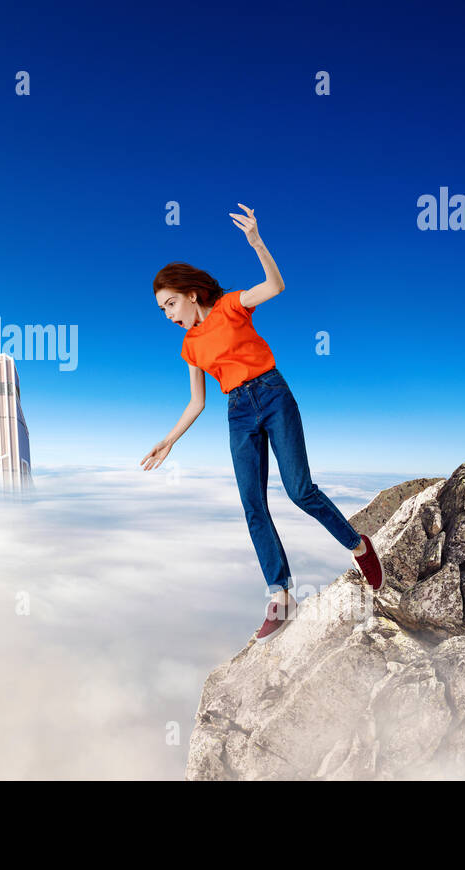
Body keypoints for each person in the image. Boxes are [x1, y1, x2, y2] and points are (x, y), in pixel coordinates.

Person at [141, 203, 383, 643]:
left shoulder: (233, 305)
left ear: (192, 293)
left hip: (272, 394)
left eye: (170, 303)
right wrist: (169, 440)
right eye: (161, 309)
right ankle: (281, 596)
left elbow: (276, 285)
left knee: (300, 490)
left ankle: (358, 545)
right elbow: (196, 402)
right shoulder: (190, 347)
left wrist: (256, 242)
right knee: (253, 505)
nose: (168, 314)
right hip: (237, 412)